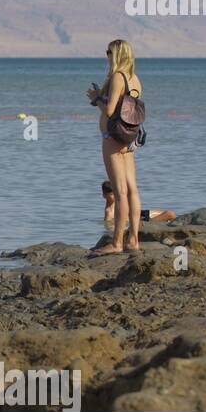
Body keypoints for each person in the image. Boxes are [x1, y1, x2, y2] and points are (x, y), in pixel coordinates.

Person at [88, 39, 142, 255]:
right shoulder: (134, 78)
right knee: (132, 189)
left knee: (119, 191)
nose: (106, 55)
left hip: (112, 136)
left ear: (118, 54)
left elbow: (110, 111)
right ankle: (134, 240)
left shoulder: (118, 77)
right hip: (129, 137)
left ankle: (117, 242)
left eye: (109, 51)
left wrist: (96, 99)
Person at [101, 181, 173, 223]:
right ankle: (150, 225)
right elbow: (109, 225)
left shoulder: (118, 201)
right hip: (141, 219)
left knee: (171, 215)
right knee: (170, 214)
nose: (115, 195)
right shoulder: (109, 211)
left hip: (141, 213)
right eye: (111, 194)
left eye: (115, 193)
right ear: (104, 195)